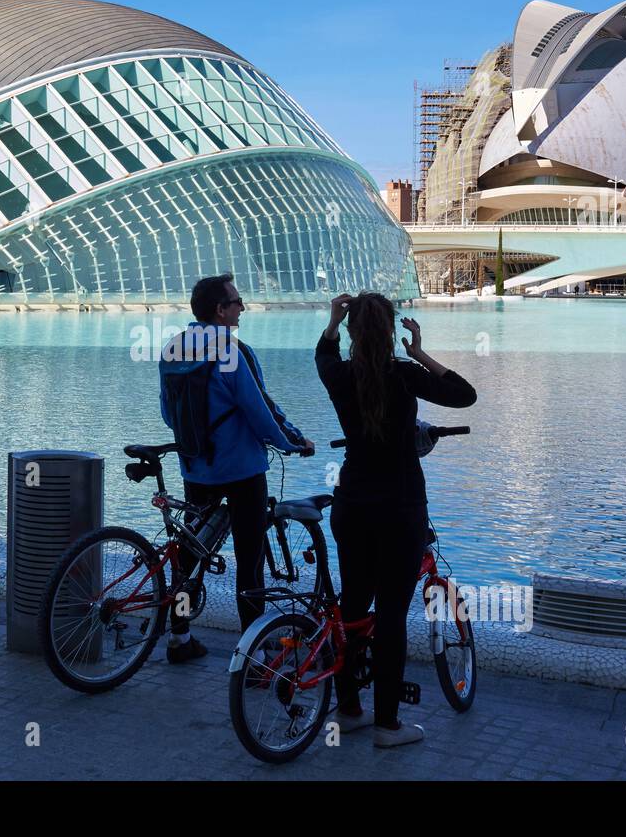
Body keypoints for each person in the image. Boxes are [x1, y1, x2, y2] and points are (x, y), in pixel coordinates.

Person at [315, 293, 475, 748]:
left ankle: (348, 710)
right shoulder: (404, 376)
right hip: (400, 511)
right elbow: (465, 395)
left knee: (352, 610)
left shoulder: (341, 377)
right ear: (390, 334)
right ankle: (388, 725)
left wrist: (333, 320)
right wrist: (418, 350)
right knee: (390, 618)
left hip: (352, 506)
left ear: (351, 333)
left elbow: (323, 355)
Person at [159, 274, 313, 663]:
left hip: (196, 468)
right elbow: (260, 410)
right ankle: (253, 654)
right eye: (236, 301)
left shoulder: (173, 348)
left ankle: (179, 637)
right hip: (242, 470)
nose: (242, 307)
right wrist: (292, 441)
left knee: (189, 555)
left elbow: (167, 414)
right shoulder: (232, 350)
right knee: (250, 559)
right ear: (219, 309)